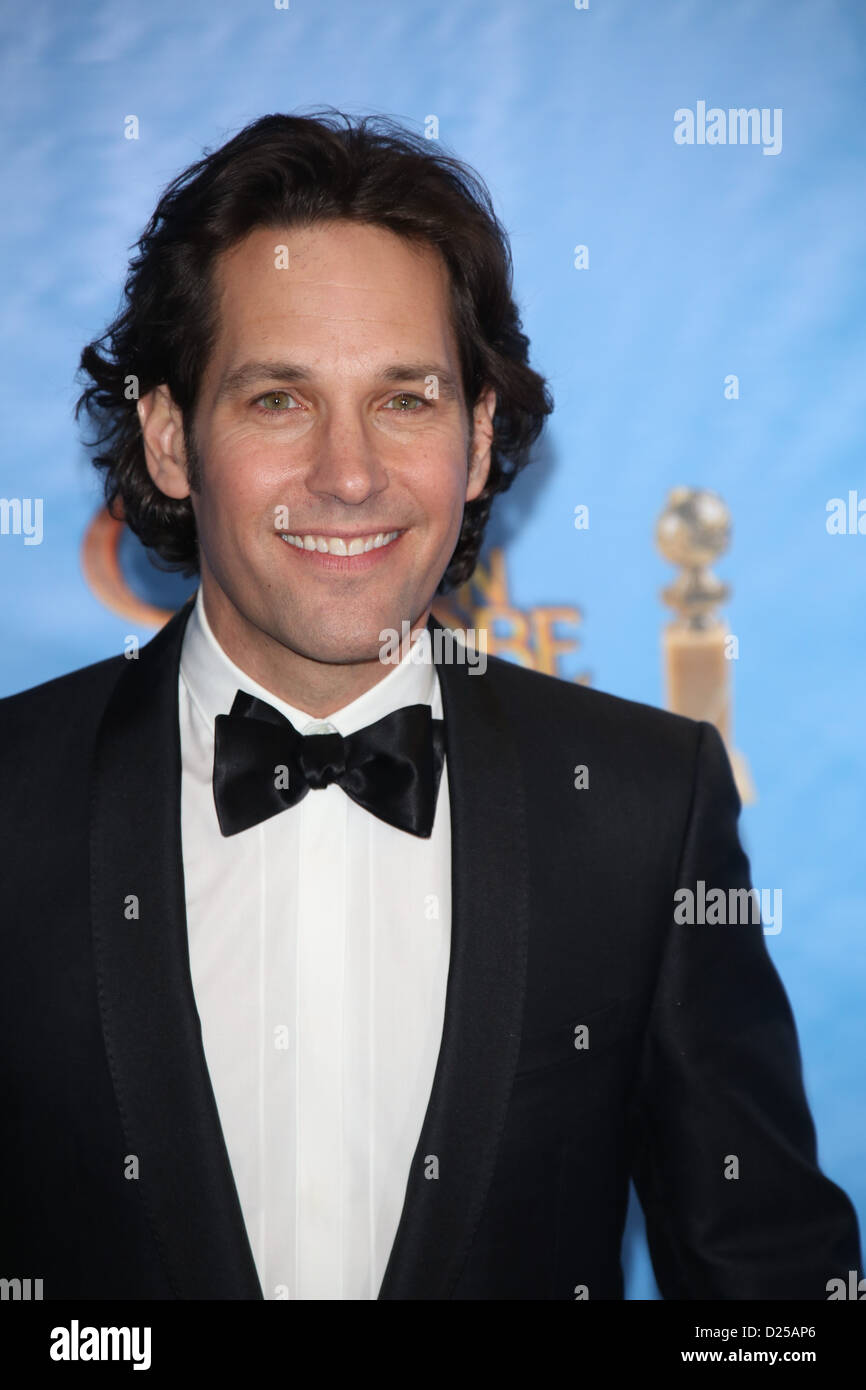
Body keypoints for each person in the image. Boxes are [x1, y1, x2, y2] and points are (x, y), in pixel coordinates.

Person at [0, 110, 859, 1301]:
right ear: (168, 439)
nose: (348, 475)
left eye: (404, 399)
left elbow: (770, 1287)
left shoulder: (639, 807)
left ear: (476, 437)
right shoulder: (11, 796)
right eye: (276, 400)